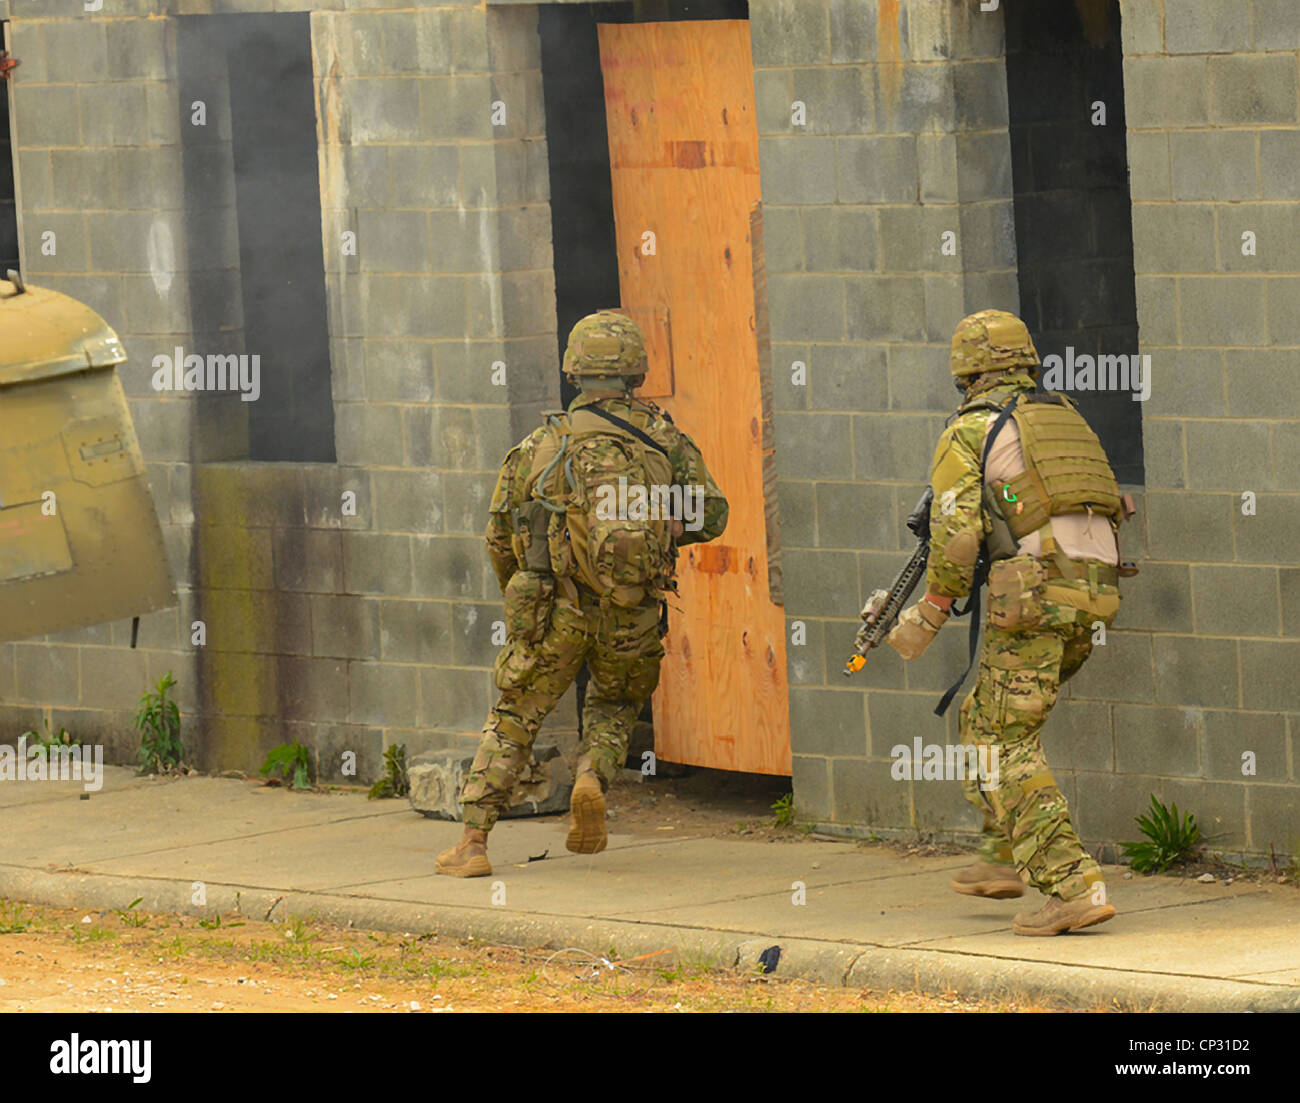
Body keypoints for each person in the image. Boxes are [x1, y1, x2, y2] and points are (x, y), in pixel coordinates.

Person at [435, 311, 728, 877]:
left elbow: (499, 534)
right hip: (633, 608)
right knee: (615, 703)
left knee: (516, 714)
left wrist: (526, 596)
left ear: (574, 371)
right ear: (635, 371)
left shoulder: (542, 443)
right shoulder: (663, 440)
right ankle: (591, 774)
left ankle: (472, 843)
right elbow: (713, 515)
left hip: (554, 606)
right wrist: (662, 525)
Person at [884, 309, 1127, 936]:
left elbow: (957, 537)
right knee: (984, 720)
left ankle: (1074, 884)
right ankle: (999, 855)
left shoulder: (969, 431)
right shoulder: (1062, 417)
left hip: (1035, 598)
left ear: (965, 371)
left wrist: (928, 613)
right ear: (1026, 361)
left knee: (1000, 743)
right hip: (1091, 598)